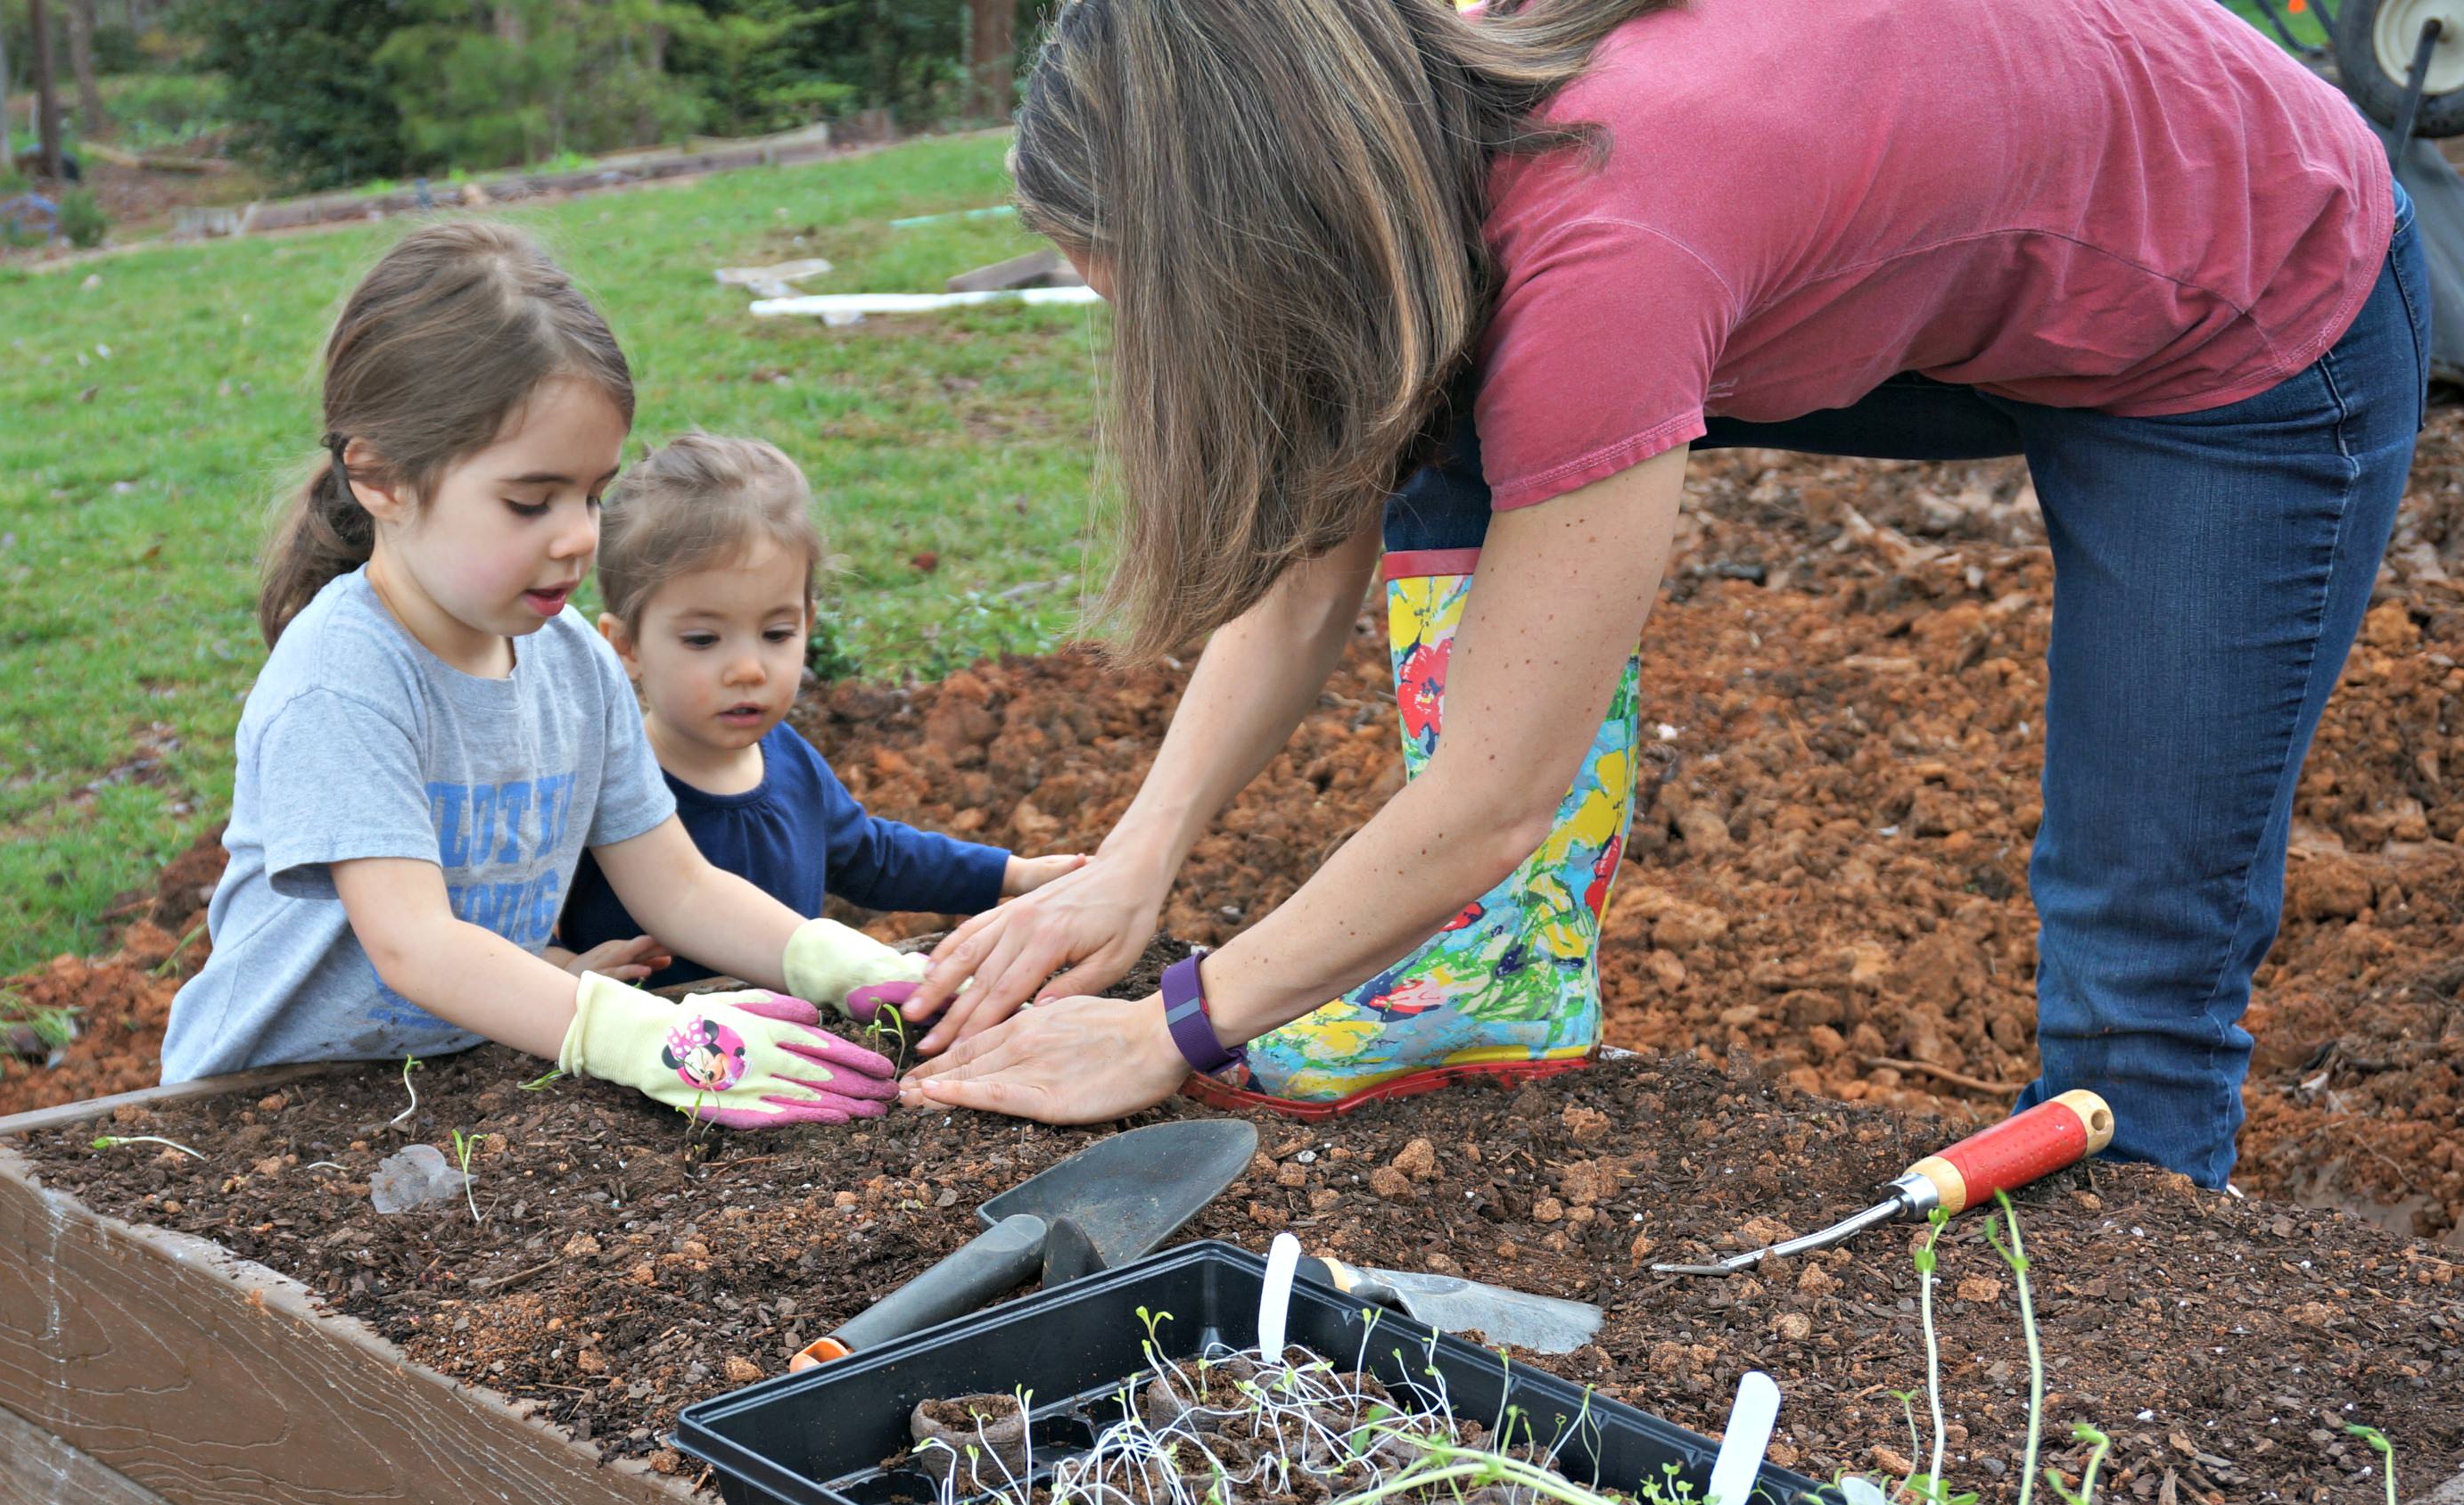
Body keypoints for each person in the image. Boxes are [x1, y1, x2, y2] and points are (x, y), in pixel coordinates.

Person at [901, 0, 2427, 1187]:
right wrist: (1130, 861)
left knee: (2137, 935)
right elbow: (1317, 548)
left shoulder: (1601, 232)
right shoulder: (1417, 144)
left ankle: (2132, 1364)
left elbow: (1497, 794)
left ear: (1256, 211)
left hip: (2244, 315)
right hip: (1961, 251)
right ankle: (1496, 970)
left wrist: (1168, 1026)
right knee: (1425, 386)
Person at [158, 221, 923, 1129]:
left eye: (591, 494)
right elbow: (417, 948)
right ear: (381, 479)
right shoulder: (343, 680)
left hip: (448, 1081)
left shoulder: (578, 664)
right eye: (531, 501)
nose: (578, 537)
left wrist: (840, 964)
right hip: (255, 1114)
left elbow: (676, 887)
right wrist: (646, 1039)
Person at [552, 432, 1087, 991]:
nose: (748, 669)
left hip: (792, 1038)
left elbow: (873, 859)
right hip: (653, 1055)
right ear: (626, 647)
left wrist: (1013, 874)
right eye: (704, 640)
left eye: (777, 633)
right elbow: (514, 919)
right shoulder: (607, 786)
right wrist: (566, 967)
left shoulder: (791, 761)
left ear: (807, 622)